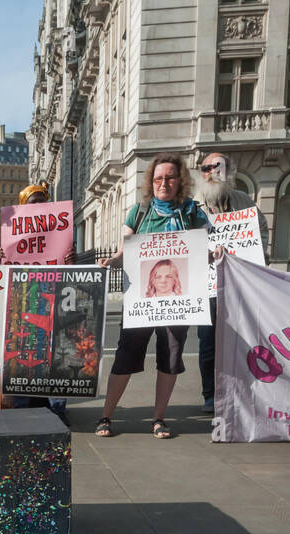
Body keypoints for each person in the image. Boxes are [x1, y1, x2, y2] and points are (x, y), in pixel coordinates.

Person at [97, 153, 210, 438]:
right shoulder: (139, 212)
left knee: (170, 357)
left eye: (170, 177)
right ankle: (106, 416)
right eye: (158, 178)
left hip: (179, 300)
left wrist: (213, 251)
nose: (164, 183)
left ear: (180, 180)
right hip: (141, 300)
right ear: (151, 181)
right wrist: (112, 261)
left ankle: (159, 419)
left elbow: (209, 243)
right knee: (125, 355)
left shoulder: (193, 213)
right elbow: (125, 251)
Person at [194, 152, 268, 415]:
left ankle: (242, 390)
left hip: (239, 285)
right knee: (208, 342)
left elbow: (260, 230)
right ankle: (210, 395)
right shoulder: (192, 207)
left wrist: (260, 256)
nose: (212, 172)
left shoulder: (244, 202)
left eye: (218, 166)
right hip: (207, 286)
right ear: (200, 172)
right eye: (206, 168)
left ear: (229, 171)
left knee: (242, 338)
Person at [0, 182, 74, 424]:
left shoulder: (60, 233)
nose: (39, 205)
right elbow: (6, 276)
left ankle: (57, 407)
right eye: (33, 201)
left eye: (42, 200)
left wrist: (72, 260)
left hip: (54, 297)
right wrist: (2, 260)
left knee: (56, 353)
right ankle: (21, 406)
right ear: (23, 206)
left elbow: (69, 272)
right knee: (21, 350)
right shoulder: (13, 236)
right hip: (25, 299)